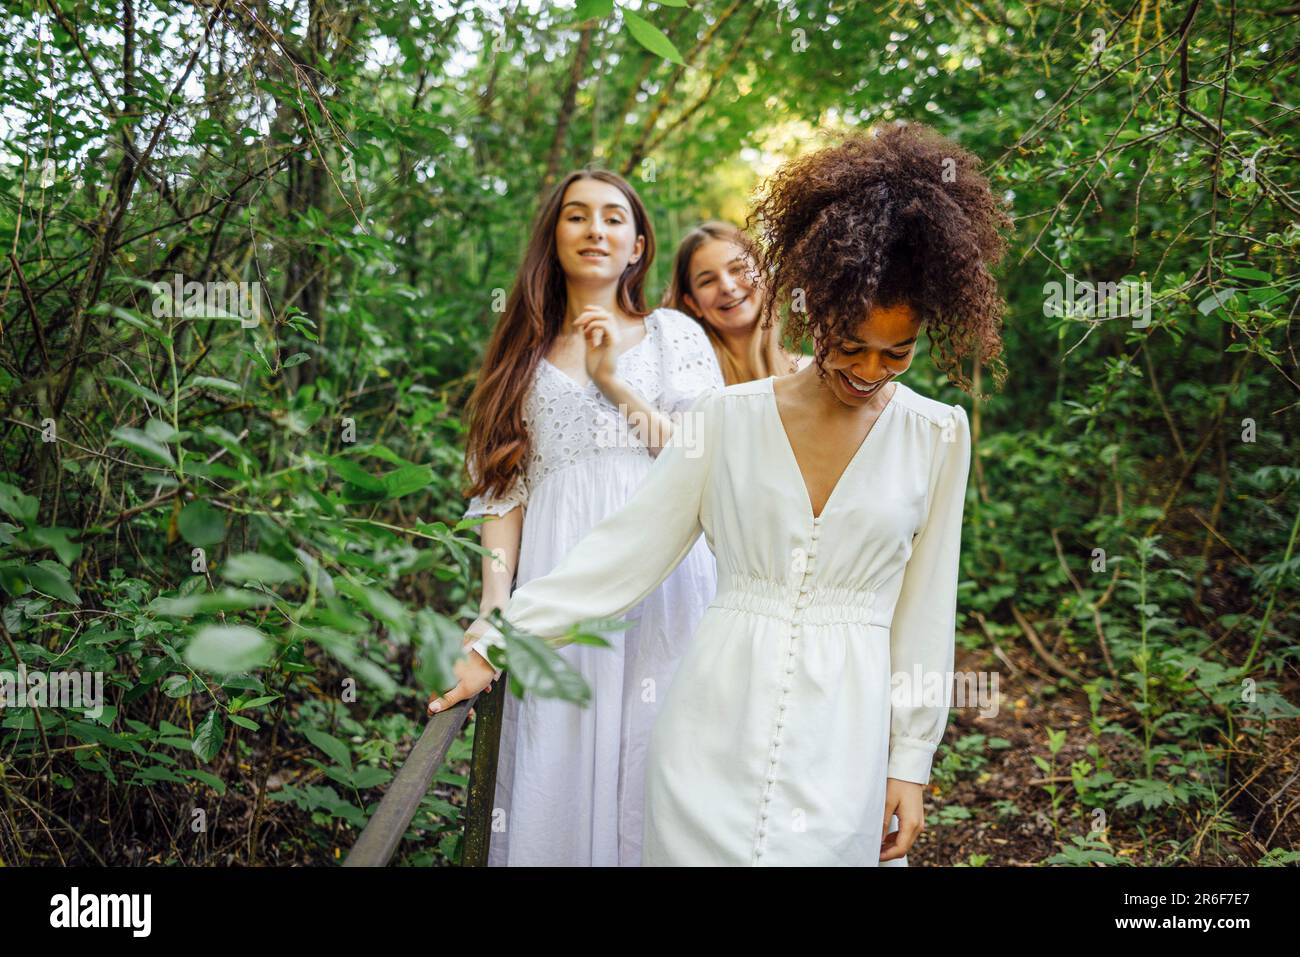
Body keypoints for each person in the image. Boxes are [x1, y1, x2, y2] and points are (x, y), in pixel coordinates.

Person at [431, 121, 1009, 865]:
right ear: (815, 314)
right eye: (850, 345)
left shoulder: (938, 435)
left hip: (845, 730)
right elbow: (623, 554)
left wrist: (911, 759)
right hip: (710, 724)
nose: (870, 369)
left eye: (896, 353)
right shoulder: (727, 419)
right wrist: (495, 637)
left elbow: (926, 611)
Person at [452, 168, 724, 866]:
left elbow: (705, 459)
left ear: (638, 245)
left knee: (655, 752)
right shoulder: (521, 354)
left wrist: (612, 380)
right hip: (559, 586)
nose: (594, 229)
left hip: (662, 579)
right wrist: (493, 607)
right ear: (555, 236)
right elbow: (503, 494)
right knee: (558, 753)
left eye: (612, 217)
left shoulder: (676, 334)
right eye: (577, 216)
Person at [662, 220, 813, 383]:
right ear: (693, 303)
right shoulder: (689, 387)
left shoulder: (814, 376)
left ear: (762, 273)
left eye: (737, 268)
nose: (727, 287)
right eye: (707, 281)